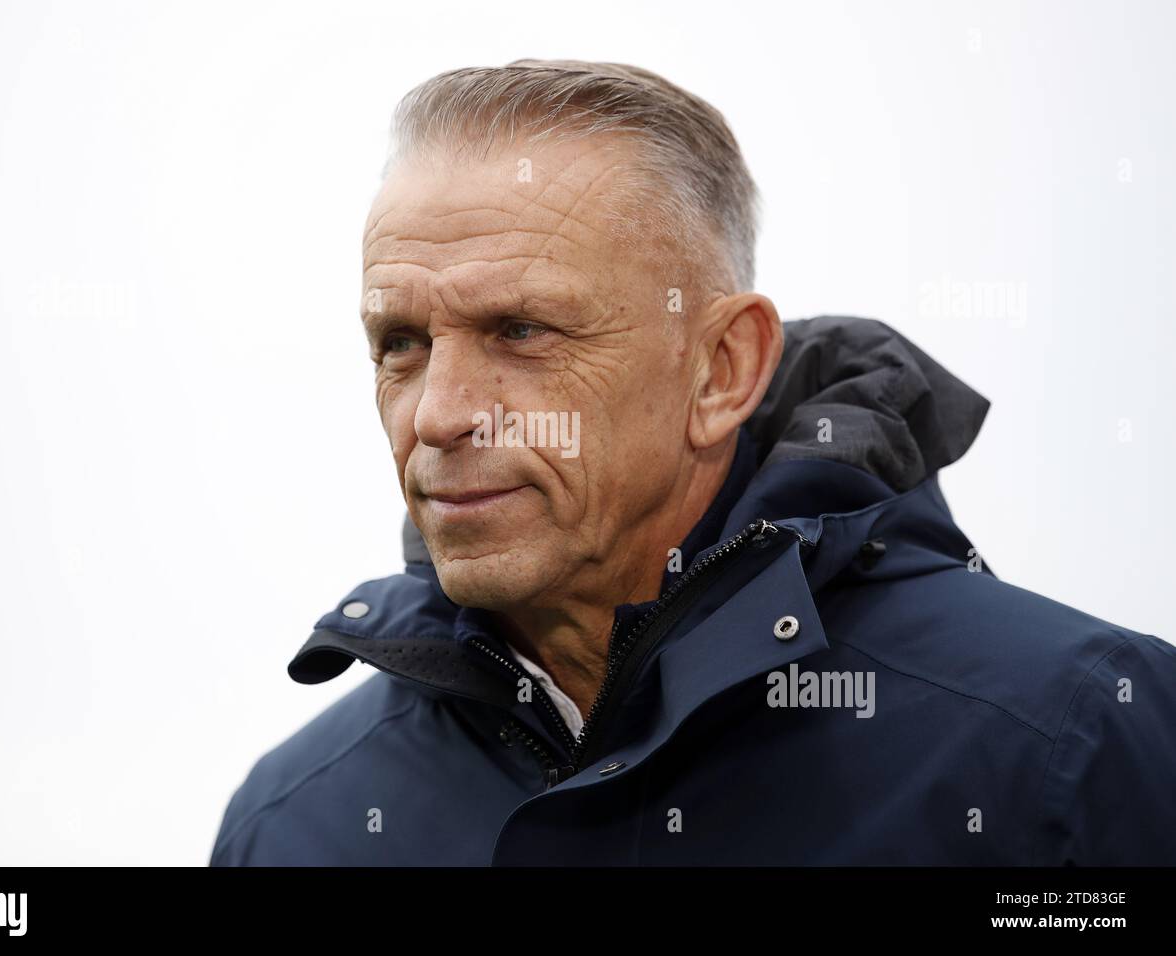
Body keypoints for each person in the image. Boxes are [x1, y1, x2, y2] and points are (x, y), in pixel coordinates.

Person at [210, 59, 1176, 865]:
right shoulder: (291, 827)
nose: (441, 414)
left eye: (522, 329)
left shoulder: (1075, 742)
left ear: (721, 370)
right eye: (402, 343)